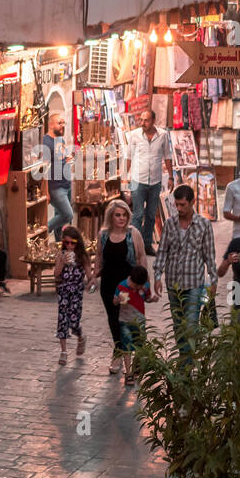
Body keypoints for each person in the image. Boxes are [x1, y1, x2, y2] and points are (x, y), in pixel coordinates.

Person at [152, 183, 217, 355]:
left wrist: (214, 279)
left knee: (190, 325)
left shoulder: (203, 225)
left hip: (194, 283)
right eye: (177, 204)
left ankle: (185, 367)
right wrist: (157, 277)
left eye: (183, 205)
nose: (179, 208)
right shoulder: (169, 224)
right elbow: (162, 251)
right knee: (178, 325)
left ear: (192, 202)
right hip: (173, 283)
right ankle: (184, 359)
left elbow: (209, 254)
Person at [88, 199, 147, 376]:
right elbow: (99, 256)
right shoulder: (103, 234)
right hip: (108, 284)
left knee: (129, 320)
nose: (121, 218)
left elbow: (141, 257)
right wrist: (93, 276)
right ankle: (119, 352)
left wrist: (144, 283)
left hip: (128, 286)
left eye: (124, 215)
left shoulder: (133, 233)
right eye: (117, 215)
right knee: (113, 320)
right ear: (111, 217)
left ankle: (138, 356)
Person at [123, 109, 173, 256]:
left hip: (155, 182)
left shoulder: (163, 135)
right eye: (142, 120)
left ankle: (146, 245)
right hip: (138, 180)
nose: (143, 123)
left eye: (146, 120)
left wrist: (170, 176)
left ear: (153, 121)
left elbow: (167, 156)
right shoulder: (134, 136)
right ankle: (134, 248)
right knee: (137, 215)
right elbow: (128, 156)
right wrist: (125, 177)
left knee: (151, 215)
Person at [53, 225, 88, 364]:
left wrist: (92, 282)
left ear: (77, 242)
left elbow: (89, 275)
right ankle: (63, 352)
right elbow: (56, 274)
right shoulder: (61, 255)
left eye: (72, 243)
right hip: (63, 291)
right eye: (66, 243)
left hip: (77, 293)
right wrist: (62, 262)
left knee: (74, 321)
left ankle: (81, 337)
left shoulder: (82, 256)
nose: (69, 246)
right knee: (62, 321)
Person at [113, 265, 151, 385]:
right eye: (137, 286)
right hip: (125, 321)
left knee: (140, 344)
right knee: (127, 346)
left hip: (140, 321)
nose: (139, 288)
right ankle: (128, 373)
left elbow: (147, 298)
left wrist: (152, 299)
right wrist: (118, 300)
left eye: (141, 285)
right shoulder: (122, 286)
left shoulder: (144, 286)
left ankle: (136, 368)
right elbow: (114, 302)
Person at [43, 113, 75, 240]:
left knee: (60, 214)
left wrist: (68, 158)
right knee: (67, 215)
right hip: (56, 187)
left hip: (66, 183)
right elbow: (44, 170)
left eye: (63, 123)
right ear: (51, 125)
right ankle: (43, 232)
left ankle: (58, 244)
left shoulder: (60, 139)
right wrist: (46, 192)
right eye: (59, 123)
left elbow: (62, 157)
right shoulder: (46, 142)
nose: (62, 126)